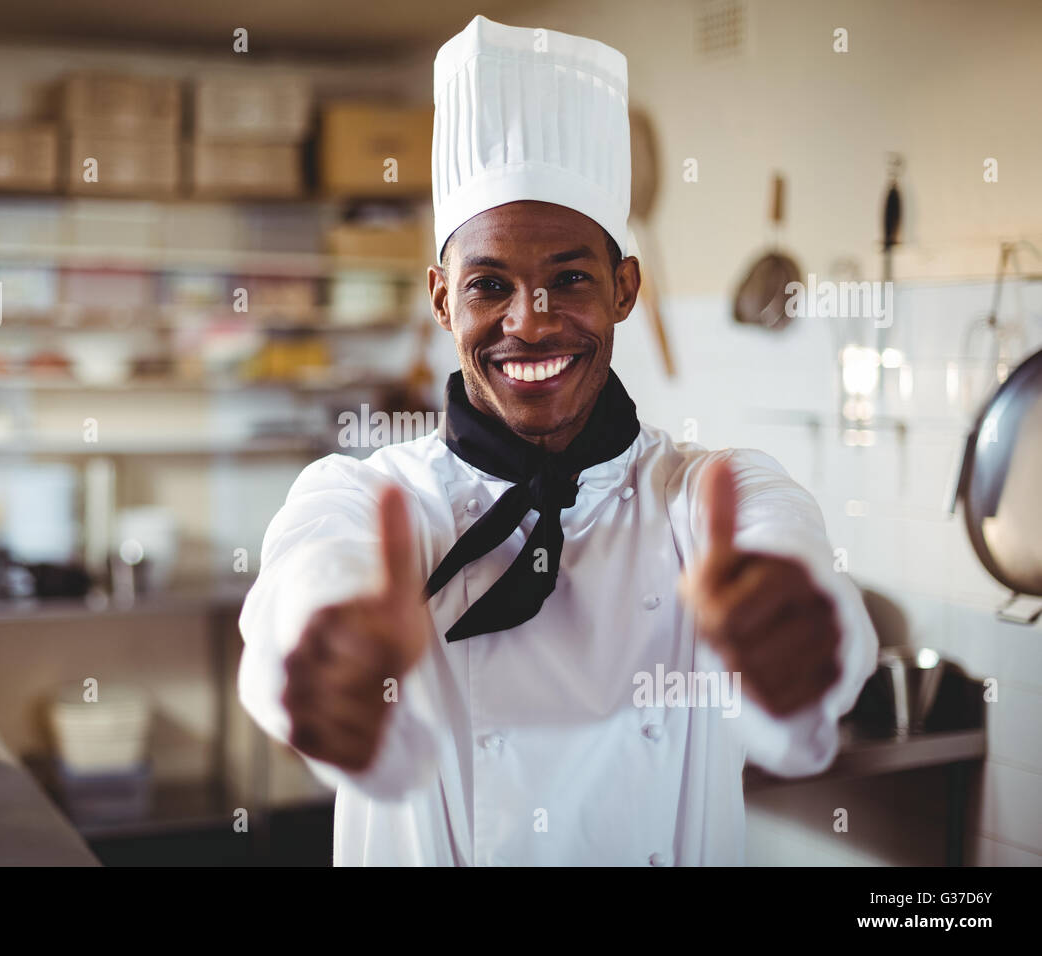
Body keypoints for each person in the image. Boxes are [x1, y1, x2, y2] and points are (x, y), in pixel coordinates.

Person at [238, 14, 878, 865]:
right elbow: (301, 588)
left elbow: (800, 578)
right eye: (489, 285)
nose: (529, 324)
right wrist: (327, 644)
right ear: (440, 301)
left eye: (569, 278)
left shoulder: (710, 497)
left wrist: (801, 646)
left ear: (624, 287)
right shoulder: (365, 499)